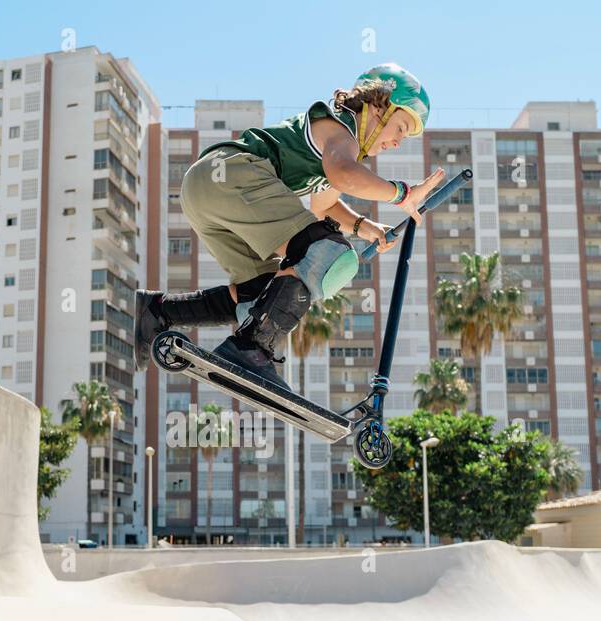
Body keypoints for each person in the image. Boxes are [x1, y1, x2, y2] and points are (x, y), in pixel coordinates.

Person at [135, 63, 446, 390]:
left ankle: (158, 312)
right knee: (333, 256)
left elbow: (323, 205)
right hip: (234, 172)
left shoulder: (339, 145)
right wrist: (403, 194)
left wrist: (364, 226)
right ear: (379, 105)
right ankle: (249, 350)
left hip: (204, 189)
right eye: (400, 128)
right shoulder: (343, 128)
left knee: (262, 289)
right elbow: (344, 175)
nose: (398, 141)